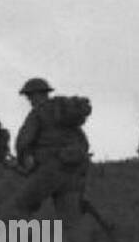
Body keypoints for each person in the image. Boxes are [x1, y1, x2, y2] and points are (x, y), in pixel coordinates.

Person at [14, 78, 89, 232]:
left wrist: (27, 159)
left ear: (37, 94)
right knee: (70, 221)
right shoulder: (67, 115)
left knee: (21, 206)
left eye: (29, 96)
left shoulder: (38, 113)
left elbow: (23, 142)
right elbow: (84, 143)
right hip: (74, 173)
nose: (29, 100)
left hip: (50, 171)